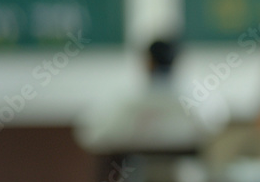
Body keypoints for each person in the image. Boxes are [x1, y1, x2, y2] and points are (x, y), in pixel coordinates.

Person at [75, 38, 227, 153]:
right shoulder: (198, 97)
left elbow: (92, 136)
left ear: (148, 62)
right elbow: (216, 129)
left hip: (131, 169)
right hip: (186, 173)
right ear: (177, 61)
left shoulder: (127, 99)